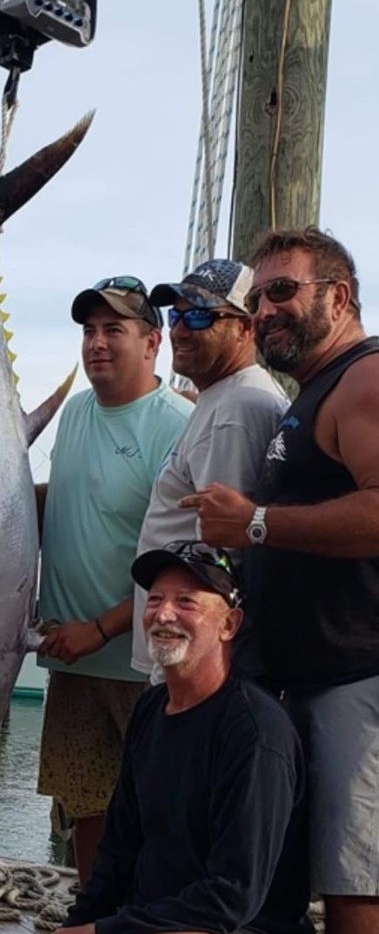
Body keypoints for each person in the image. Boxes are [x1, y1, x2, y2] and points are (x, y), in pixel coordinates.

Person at [0, 542, 313, 934]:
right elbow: (118, 852)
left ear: (229, 623)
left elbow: (233, 896)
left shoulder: (255, 731)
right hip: (150, 931)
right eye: (155, 599)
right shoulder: (152, 710)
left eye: (187, 602)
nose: (164, 613)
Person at [185, 226, 379, 934]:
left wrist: (255, 523)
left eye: (282, 291)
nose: (264, 308)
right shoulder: (314, 393)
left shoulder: (364, 380)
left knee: (353, 883)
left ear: (337, 296)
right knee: (334, 872)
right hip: (309, 670)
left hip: (355, 673)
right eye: (258, 295)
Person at [36, 277, 192, 884]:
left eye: (114, 330)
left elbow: (181, 558)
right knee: (86, 803)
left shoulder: (176, 424)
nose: (97, 343)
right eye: (89, 331)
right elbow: (68, 498)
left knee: (159, 811)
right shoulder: (76, 412)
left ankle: (152, 925)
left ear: (152, 342)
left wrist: (99, 629)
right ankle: (92, 913)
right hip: (70, 658)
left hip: (143, 665)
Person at [132, 259, 287, 678]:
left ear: (245, 328)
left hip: (195, 666)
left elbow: (224, 557)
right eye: (176, 315)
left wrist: (186, 683)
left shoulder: (235, 410)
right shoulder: (224, 398)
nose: (180, 330)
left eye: (201, 316)